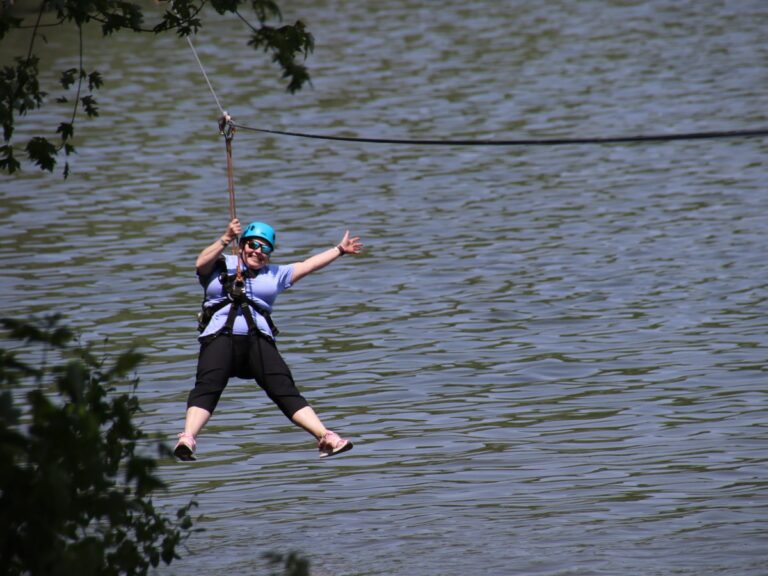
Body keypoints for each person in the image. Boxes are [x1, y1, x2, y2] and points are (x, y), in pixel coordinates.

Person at [174, 217, 363, 461]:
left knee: (284, 388)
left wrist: (339, 250)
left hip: (258, 342)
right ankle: (188, 438)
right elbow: (200, 263)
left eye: (265, 248)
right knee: (208, 386)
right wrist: (226, 237)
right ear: (242, 245)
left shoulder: (275, 274)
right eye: (253, 245)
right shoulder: (221, 263)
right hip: (220, 337)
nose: (258, 252)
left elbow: (308, 265)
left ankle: (325, 437)